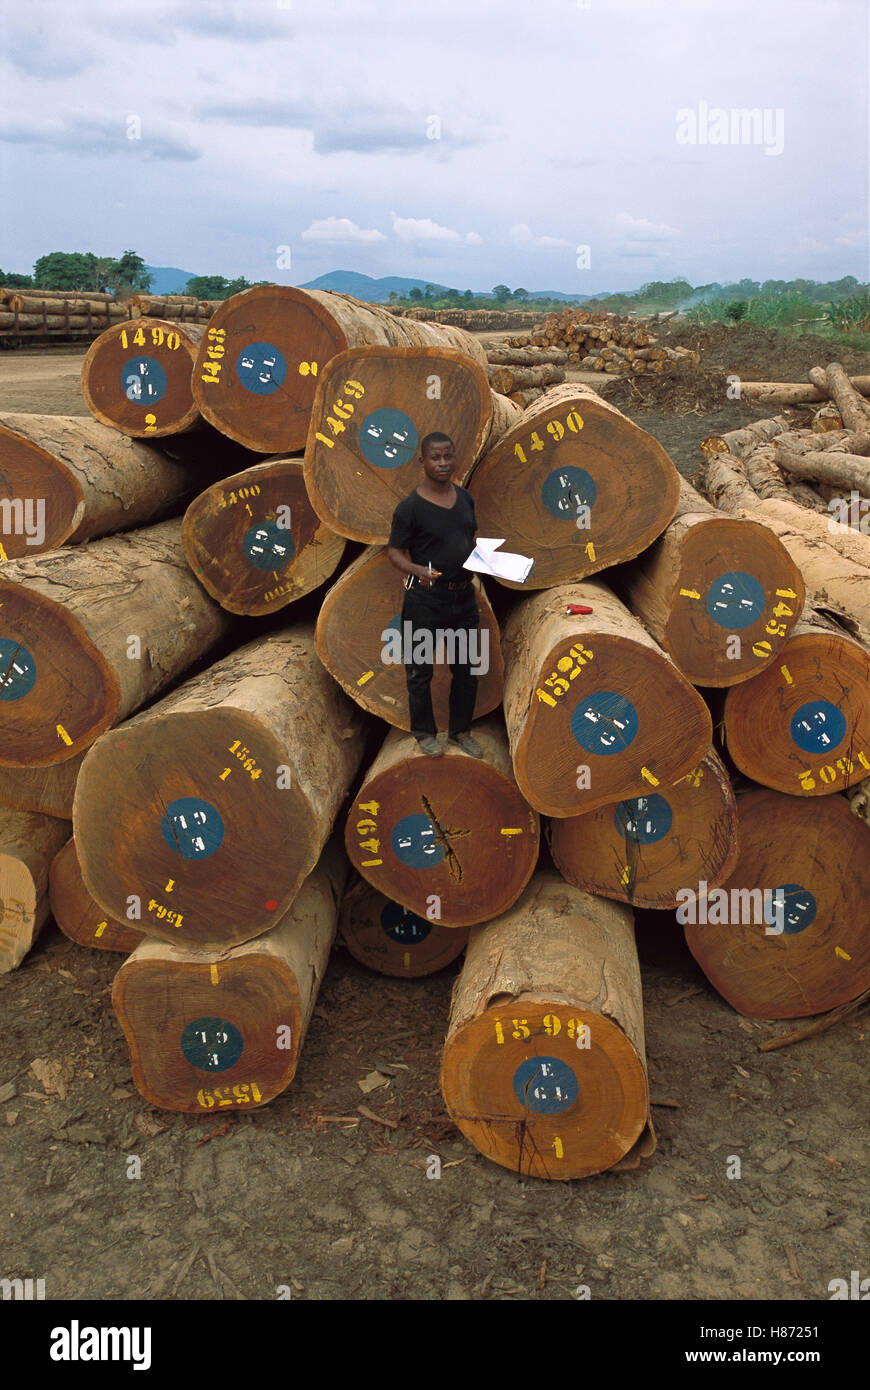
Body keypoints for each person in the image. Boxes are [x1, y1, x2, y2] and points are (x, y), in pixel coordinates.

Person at [386, 432, 484, 758]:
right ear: (422, 462)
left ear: (454, 459)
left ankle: (460, 732)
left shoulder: (465, 499)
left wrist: (486, 558)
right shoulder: (410, 508)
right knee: (419, 670)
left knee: (467, 668)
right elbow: (395, 552)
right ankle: (424, 733)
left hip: (463, 598)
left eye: (447, 457)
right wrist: (417, 570)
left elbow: (468, 541)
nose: (442, 464)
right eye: (435, 458)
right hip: (426, 601)